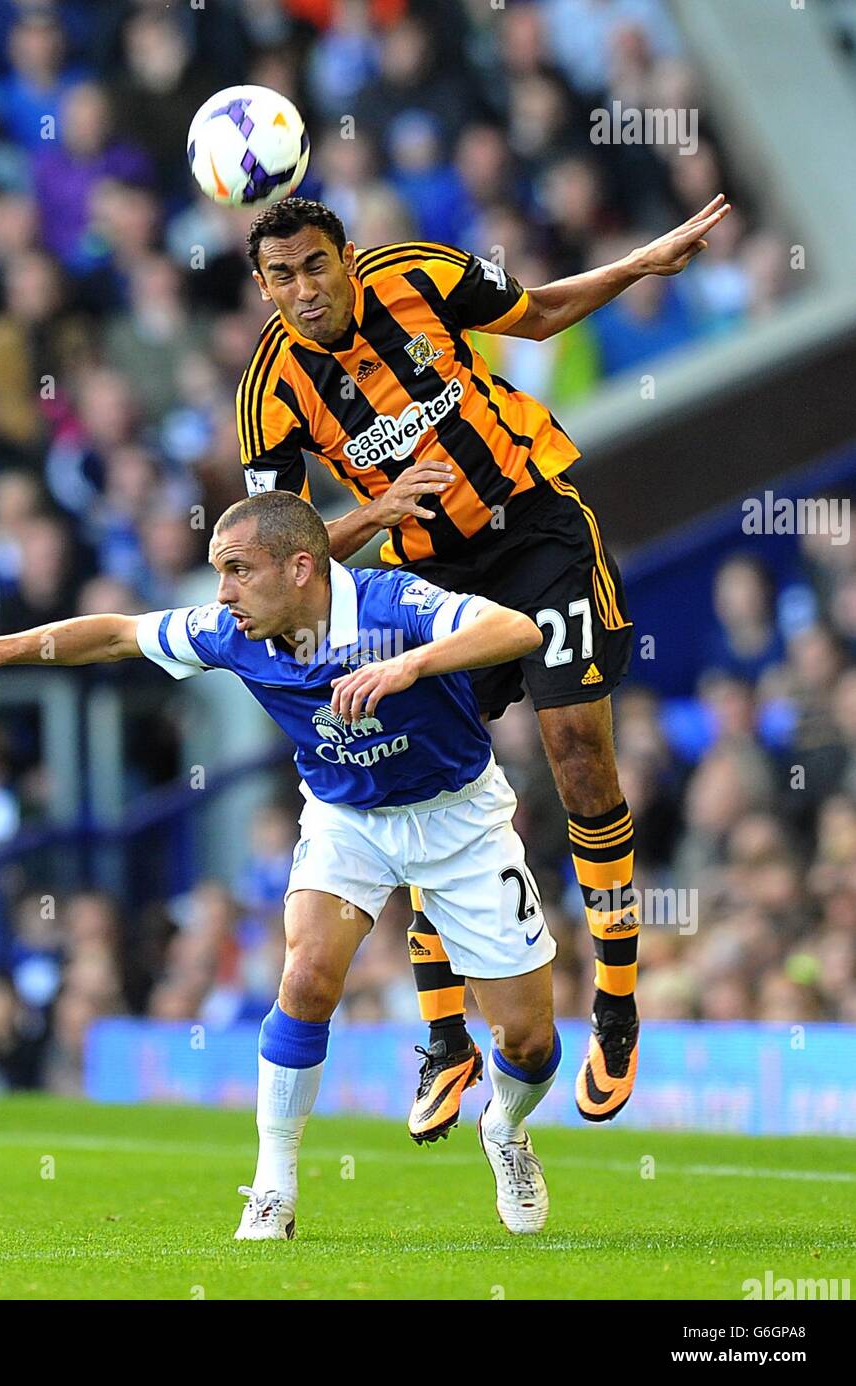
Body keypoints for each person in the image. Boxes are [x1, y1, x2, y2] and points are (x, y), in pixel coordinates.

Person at [0, 490, 560, 1240]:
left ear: (300, 567)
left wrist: (410, 667)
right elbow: (117, 633)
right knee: (306, 976)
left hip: (459, 820)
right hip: (349, 821)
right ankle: (273, 1185)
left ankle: (503, 1127)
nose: (222, 594)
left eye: (238, 571)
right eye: (218, 572)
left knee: (528, 1042)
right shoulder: (229, 632)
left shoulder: (391, 601)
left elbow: (515, 628)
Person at [236, 193, 732, 1131]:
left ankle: (618, 1007)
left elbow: (537, 313)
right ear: (263, 289)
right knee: (426, 778)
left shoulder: (419, 273)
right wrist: (374, 518)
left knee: (578, 751)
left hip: (537, 531)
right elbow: (285, 554)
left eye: (314, 265)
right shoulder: (270, 393)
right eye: (280, 277)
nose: (302, 290)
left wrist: (635, 264)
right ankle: (444, 1038)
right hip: (429, 574)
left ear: (348, 256)